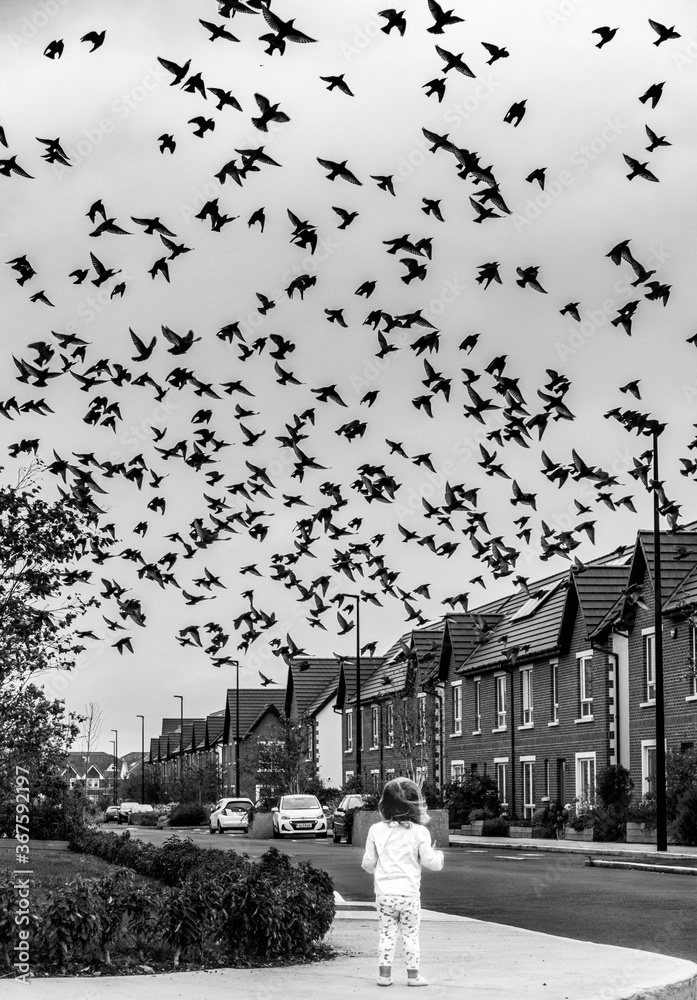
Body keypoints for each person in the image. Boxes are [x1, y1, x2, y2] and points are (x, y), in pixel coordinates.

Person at [361, 777, 444, 987]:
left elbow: (368, 864)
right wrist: (439, 855)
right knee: (410, 936)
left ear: (384, 804)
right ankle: (413, 977)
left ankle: (384, 976)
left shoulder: (375, 830)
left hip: (384, 894)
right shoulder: (419, 832)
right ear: (415, 805)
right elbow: (431, 863)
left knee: (386, 935)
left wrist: (379, 870)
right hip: (409, 895)